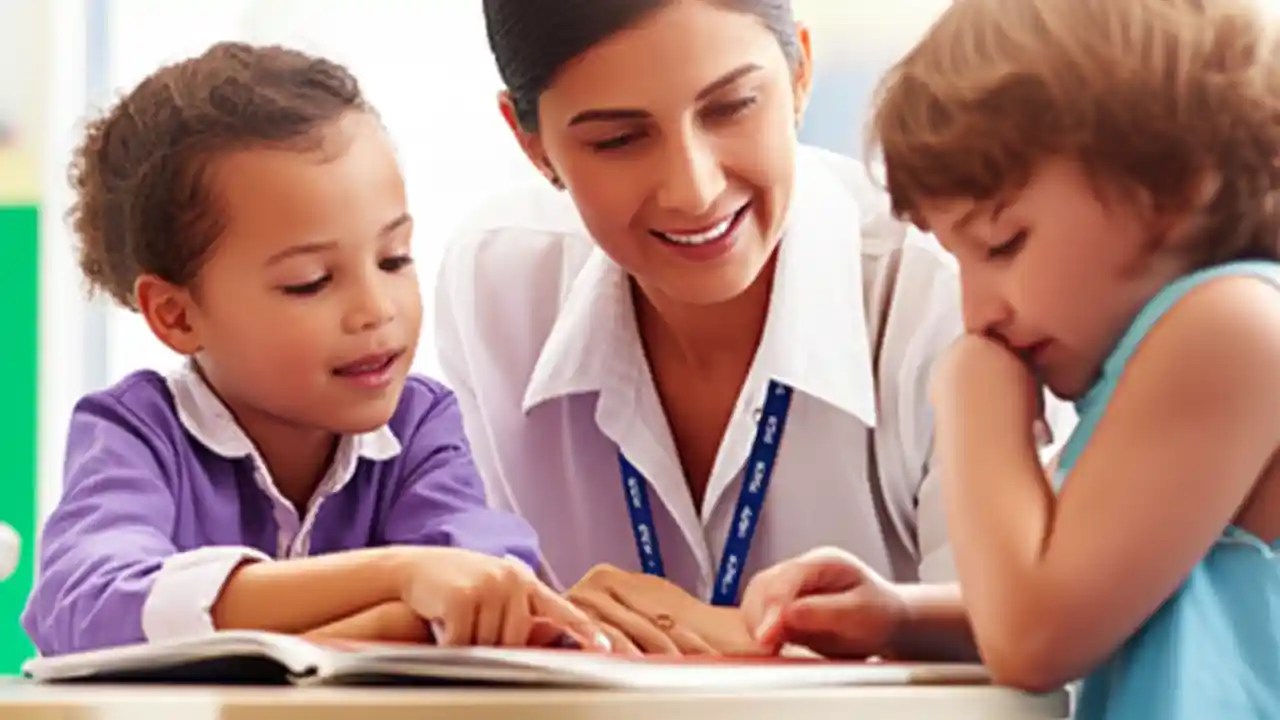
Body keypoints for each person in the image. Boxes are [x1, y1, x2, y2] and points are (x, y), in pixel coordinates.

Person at [437, 0, 1065, 656]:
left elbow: (1012, 667)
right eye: (618, 140)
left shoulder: (944, 291)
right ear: (532, 144)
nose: (694, 190)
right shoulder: (498, 288)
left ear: (800, 74)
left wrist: (728, 641)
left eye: (731, 107)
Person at [746, 0, 1280, 715]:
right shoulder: (1165, 358)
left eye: (1002, 245)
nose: (978, 314)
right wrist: (900, 616)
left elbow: (1035, 637)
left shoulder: (1233, 326)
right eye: (958, 258)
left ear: (1171, 182)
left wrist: (974, 400)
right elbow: (1095, 602)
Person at [23, 42, 606, 656]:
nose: (376, 309)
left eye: (393, 259)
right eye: (311, 282)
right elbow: (86, 603)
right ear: (177, 315)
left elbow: (485, 586)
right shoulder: (135, 431)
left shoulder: (419, 425)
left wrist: (390, 612)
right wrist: (397, 577)